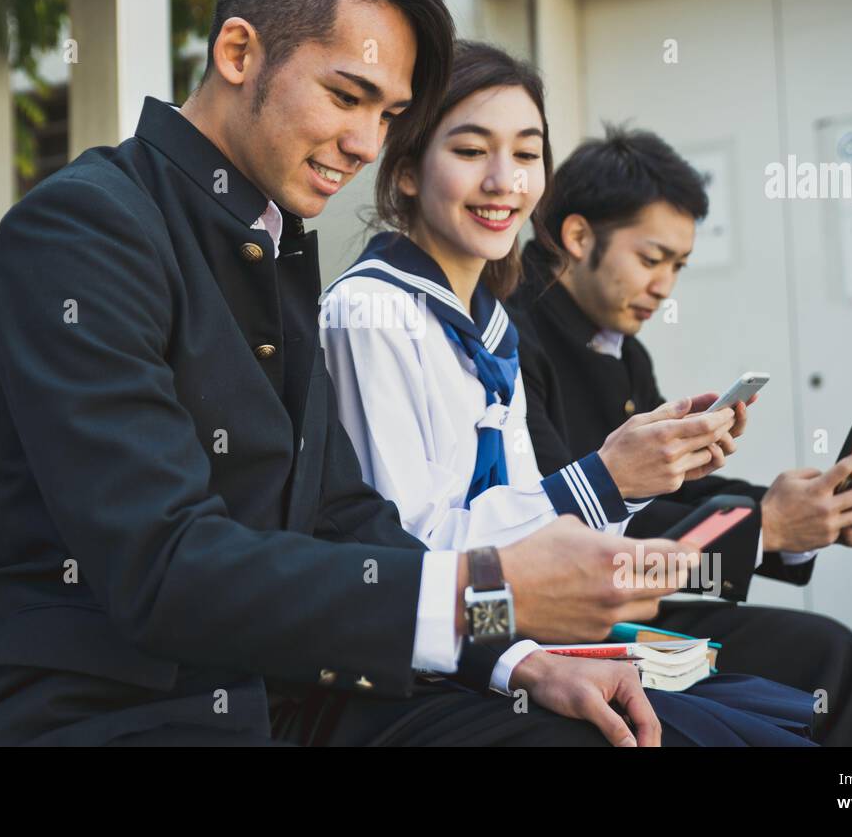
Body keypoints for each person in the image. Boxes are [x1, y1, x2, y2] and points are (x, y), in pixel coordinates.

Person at [0, 0, 715, 748]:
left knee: (642, 723)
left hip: (292, 698)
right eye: (348, 95)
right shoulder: (82, 228)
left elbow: (341, 514)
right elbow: (162, 565)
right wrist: (489, 590)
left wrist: (511, 655)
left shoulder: (276, 245)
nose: (370, 143)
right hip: (98, 714)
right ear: (237, 52)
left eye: (388, 113)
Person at [320, 40, 816, 745]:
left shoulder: (489, 328)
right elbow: (413, 557)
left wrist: (643, 473)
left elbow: (550, 543)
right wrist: (607, 478)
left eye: (526, 154)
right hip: (423, 668)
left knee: (778, 718)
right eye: (469, 150)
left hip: (509, 639)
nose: (504, 180)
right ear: (404, 171)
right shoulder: (369, 312)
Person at [508, 124, 852, 746]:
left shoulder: (619, 349)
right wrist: (765, 527)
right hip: (559, 623)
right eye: (651, 258)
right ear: (577, 236)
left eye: (678, 265)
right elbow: (566, 529)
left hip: (635, 595)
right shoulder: (514, 337)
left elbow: (665, 496)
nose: (665, 286)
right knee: (824, 656)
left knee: (829, 654)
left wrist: (796, 514)